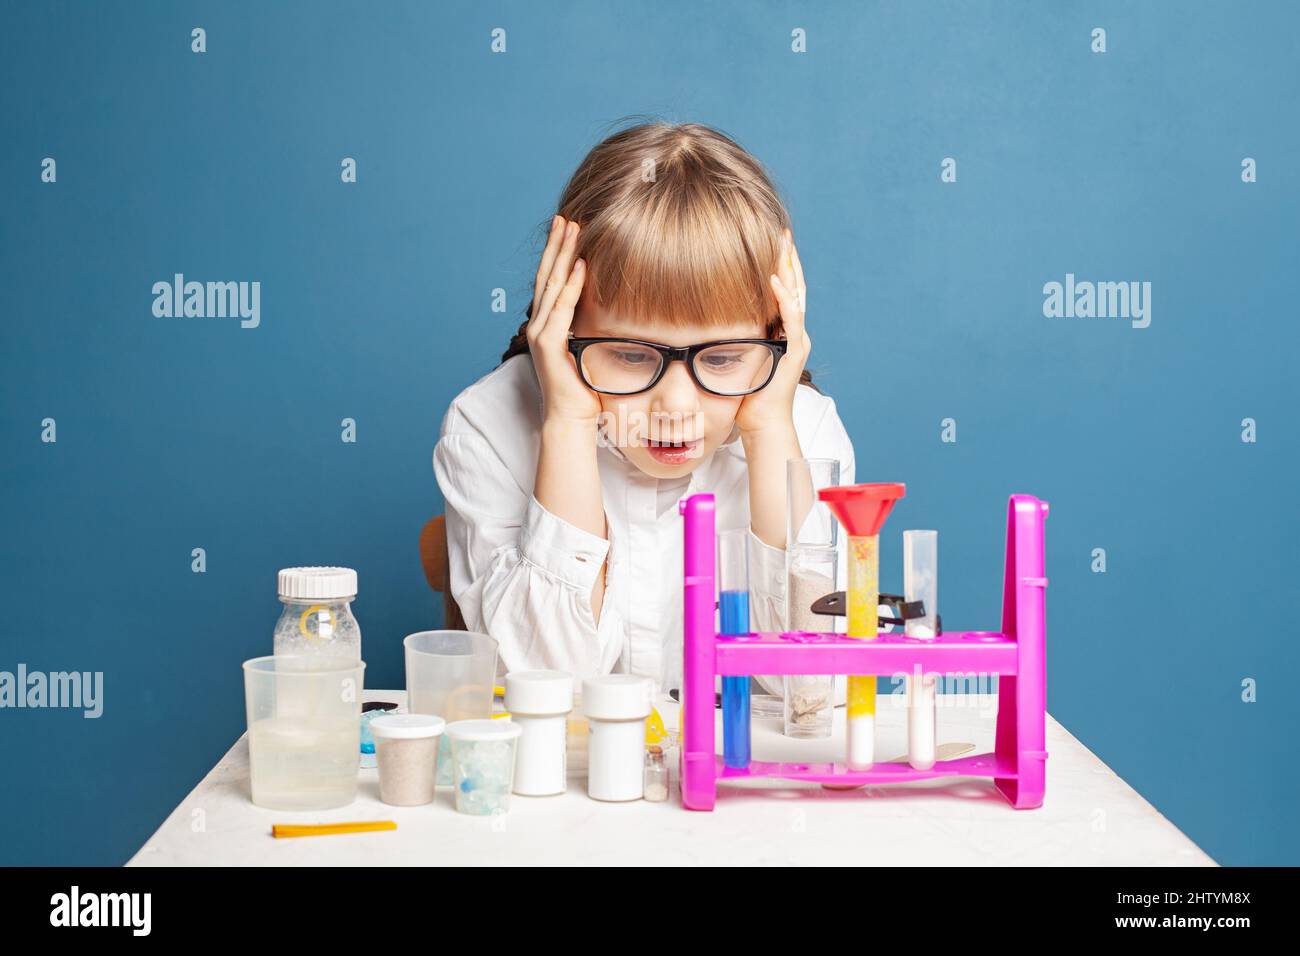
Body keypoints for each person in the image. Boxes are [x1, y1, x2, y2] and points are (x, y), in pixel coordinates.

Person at [434, 121, 855, 694]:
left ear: (780, 334)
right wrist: (568, 425)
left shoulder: (804, 430)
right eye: (631, 356)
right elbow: (543, 686)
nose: (676, 407)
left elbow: (811, 687)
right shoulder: (486, 427)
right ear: (562, 322)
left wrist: (768, 434)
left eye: (725, 358)